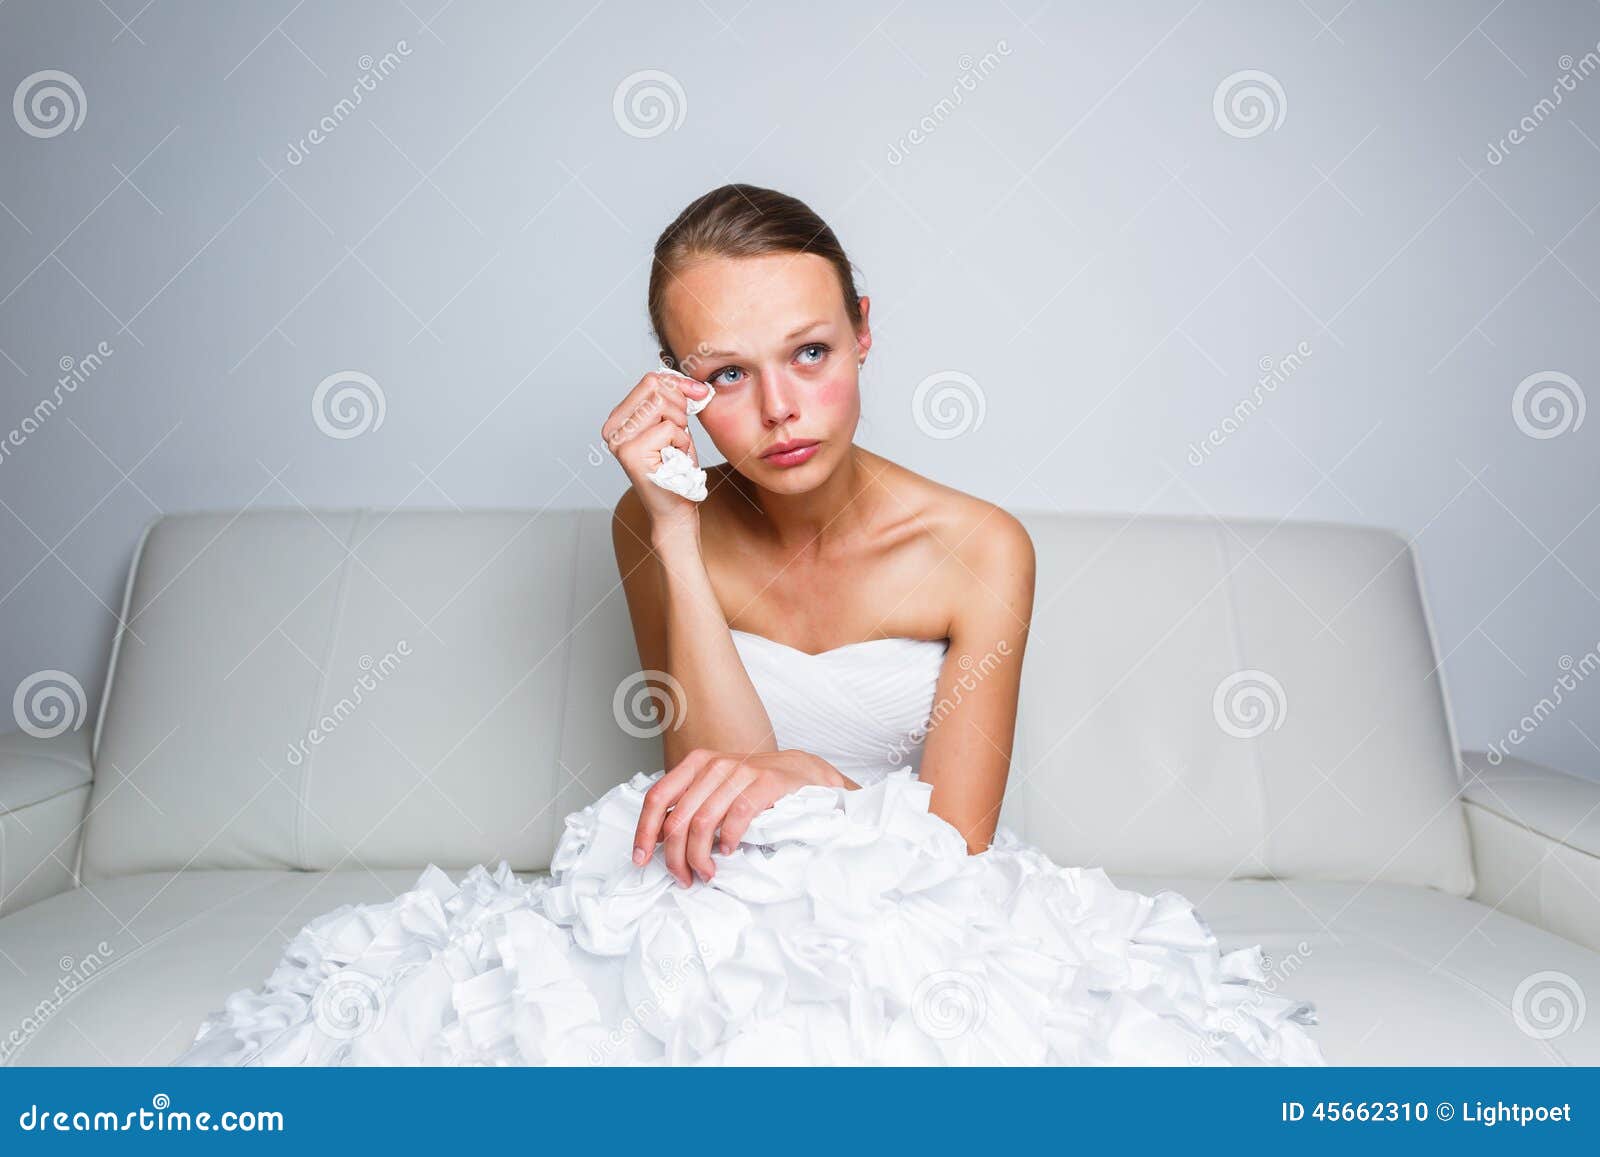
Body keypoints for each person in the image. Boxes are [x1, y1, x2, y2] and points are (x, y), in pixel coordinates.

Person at [172, 184, 1327, 1066]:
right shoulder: (653, 521)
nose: (779, 409)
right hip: (712, 885)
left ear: (863, 330)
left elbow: (955, 842)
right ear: (677, 385)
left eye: (810, 353)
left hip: (914, 905)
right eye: (726, 375)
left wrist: (810, 773)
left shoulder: (979, 547)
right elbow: (708, 786)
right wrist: (673, 534)